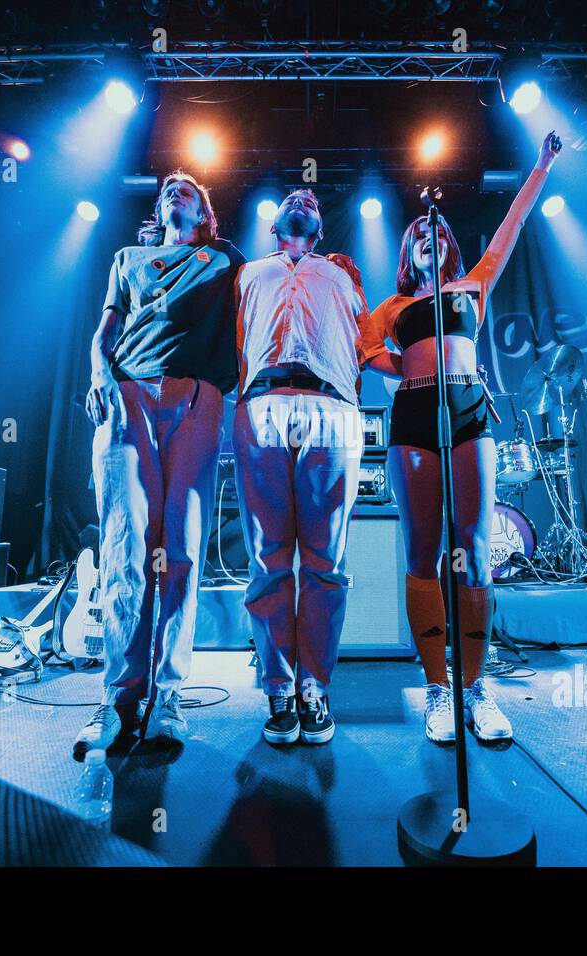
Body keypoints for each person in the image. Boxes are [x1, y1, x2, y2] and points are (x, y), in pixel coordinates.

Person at [359, 131, 563, 744]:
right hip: (415, 416)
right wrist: (413, 371)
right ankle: (438, 691)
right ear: (408, 247)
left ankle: (476, 688)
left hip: (472, 410)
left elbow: (514, 221)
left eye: (436, 233)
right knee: (423, 551)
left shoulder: (474, 283)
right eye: (419, 235)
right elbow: (368, 351)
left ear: (446, 242)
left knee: (474, 551)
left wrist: (543, 164)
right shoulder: (393, 305)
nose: (428, 237)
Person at [73, 171, 245, 760]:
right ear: (159, 207)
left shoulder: (224, 260)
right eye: (167, 186)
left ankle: (167, 697)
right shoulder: (129, 257)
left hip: (197, 400)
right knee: (126, 546)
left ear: (203, 211)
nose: (176, 189)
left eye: (188, 188)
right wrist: (99, 375)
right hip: (128, 394)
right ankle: (117, 701)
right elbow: (104, 334)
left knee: (182, 546)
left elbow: (265, 309)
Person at [233, 188, 372, 746]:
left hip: (333, 405)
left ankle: (313, 688)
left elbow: (367, 342)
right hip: (261, 403)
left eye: (313, 199)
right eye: (293, 196)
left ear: (320, 228)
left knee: (325, 561)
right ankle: (277, 688)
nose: (304, 197)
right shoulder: (246, 274)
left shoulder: (342, 273)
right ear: (271, 225)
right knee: (268, 560)